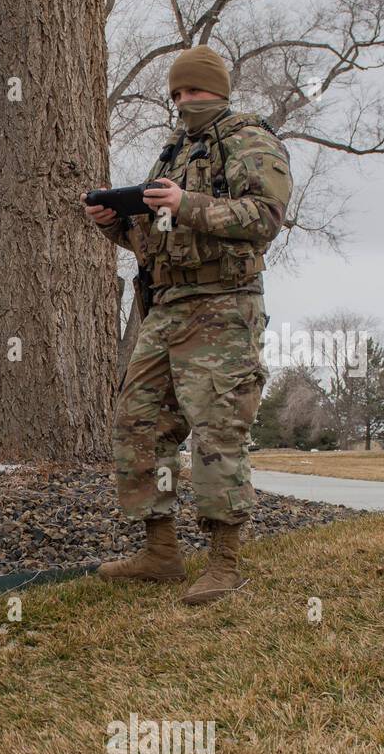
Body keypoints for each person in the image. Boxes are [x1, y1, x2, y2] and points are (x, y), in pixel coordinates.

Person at [84, 45, 293, 605]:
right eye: (176, 93)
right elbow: (151, 242)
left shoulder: (247, 138)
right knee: (139, 423)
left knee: (217, 429)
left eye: (193, 91)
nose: (184, 101)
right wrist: (114, 223)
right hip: (166, 306)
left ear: (218, 90)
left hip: (223, 305)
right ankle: (161, 552)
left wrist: (189, 202)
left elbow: (266, 217)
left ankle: (225, 562)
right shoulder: (173, 152)